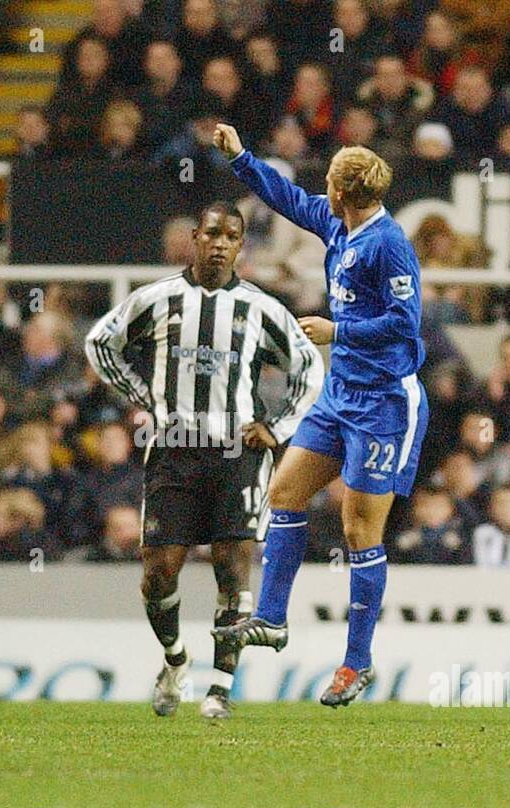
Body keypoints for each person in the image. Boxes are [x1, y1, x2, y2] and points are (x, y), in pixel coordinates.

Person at [211, 122, 427, 707]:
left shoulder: (389, 245)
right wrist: (242, 160)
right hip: (341, 394)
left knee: (360, 530)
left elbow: (407, 325)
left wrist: (339, 330)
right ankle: (274, 618)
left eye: (326, 182)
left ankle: (356, 663)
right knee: (284, 493)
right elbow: (288, 200)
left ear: (340, 190)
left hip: (385, 401)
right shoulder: (339, 223)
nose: (320, 192)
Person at [84, 201, 323, 719]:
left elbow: (308, 366)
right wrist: (144, 395)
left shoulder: (262, 308)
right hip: (173, 451)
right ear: (195, 237)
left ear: (241, 245)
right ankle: (175, 661)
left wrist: (276, 427)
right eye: (211, 233)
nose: (219, 243)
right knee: (159, 573)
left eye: (231, 236)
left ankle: (220, 689)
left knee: (232, 565)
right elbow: (100, 342)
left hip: (238, 452)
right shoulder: (157, 299)